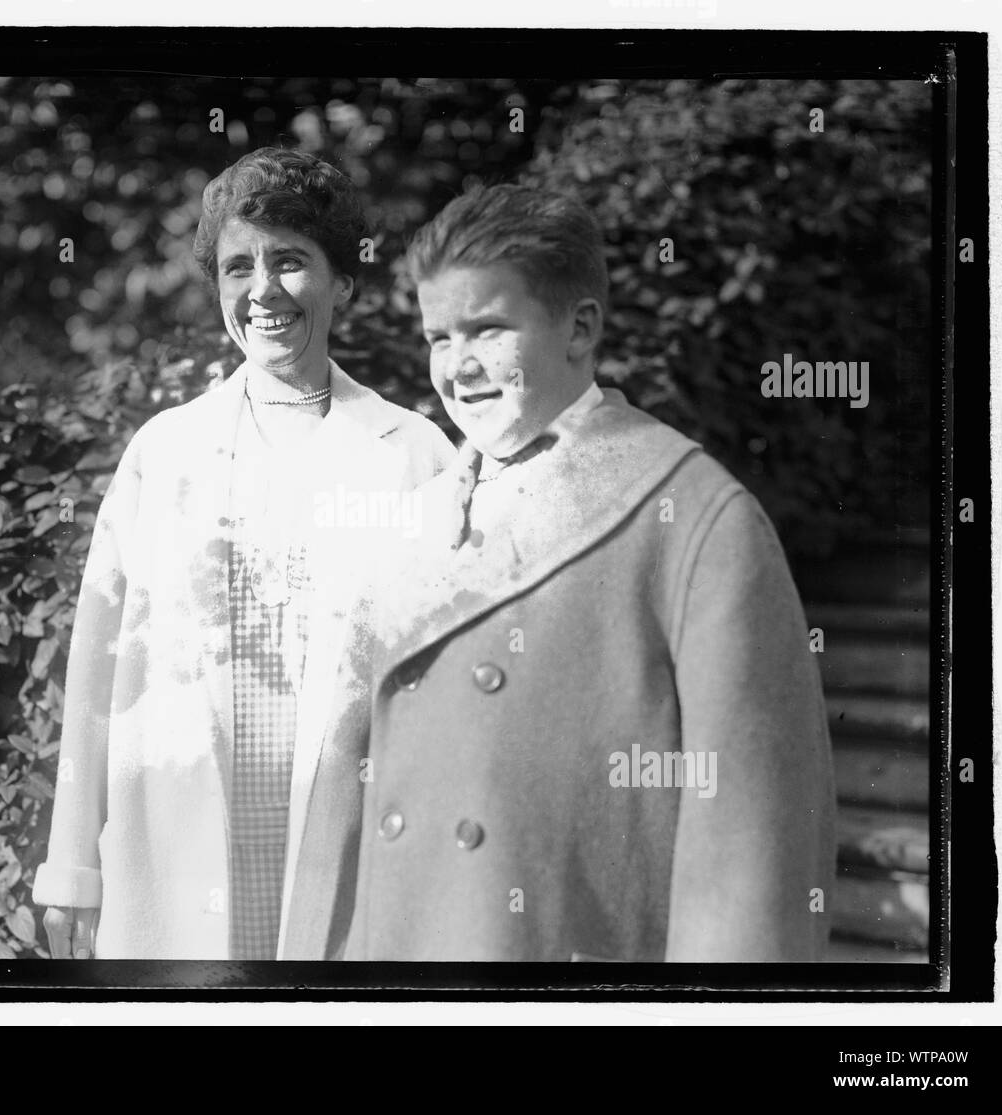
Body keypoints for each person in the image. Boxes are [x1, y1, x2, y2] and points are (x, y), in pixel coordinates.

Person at [283, 183, 836, 962]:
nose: (457, 367)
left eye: (487, 330)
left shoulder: (697, 516)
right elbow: (342, 787)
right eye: (439, 337)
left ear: (580, 328)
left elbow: (752, 842)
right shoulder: (411, 522)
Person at [32, 148, 454, 960]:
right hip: (174, 864)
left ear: (343, 283)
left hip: (355, 868)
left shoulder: (413, 455)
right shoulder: (165, 453)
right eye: (237, 267)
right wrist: (71, 863)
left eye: (289, 261)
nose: (261, 289)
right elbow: (95, 665)